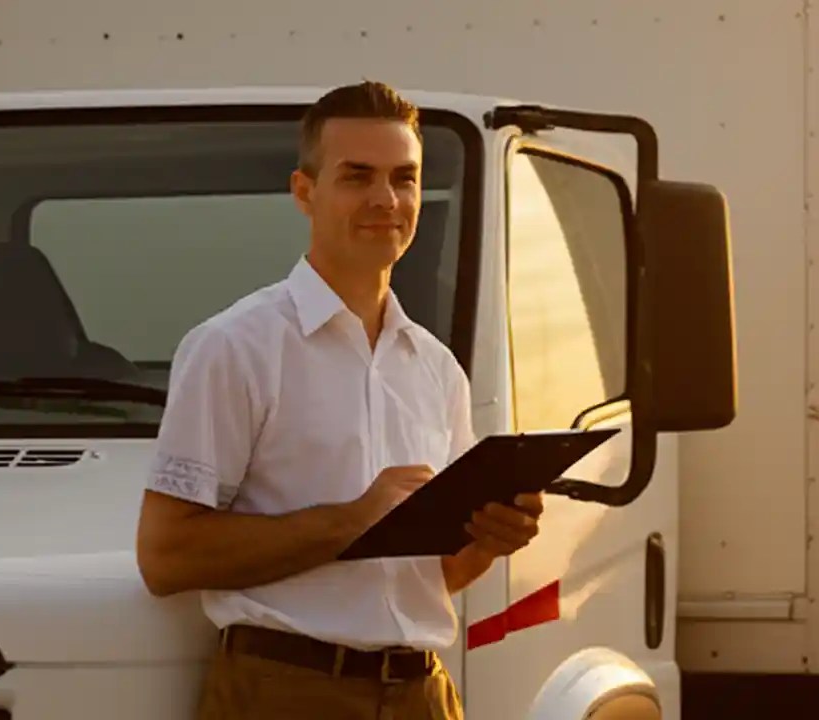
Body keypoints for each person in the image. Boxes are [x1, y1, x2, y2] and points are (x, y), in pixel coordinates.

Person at [134, 80, 542, 719]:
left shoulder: (437, 370)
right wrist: (353, 519)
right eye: (357, 176)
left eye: (404, 179)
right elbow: (165, 557)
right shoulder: (234, 347)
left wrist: (490, 540)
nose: (386, 199)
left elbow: (435, 575)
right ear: (304, 192)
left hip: (424, 694)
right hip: (284, 694)